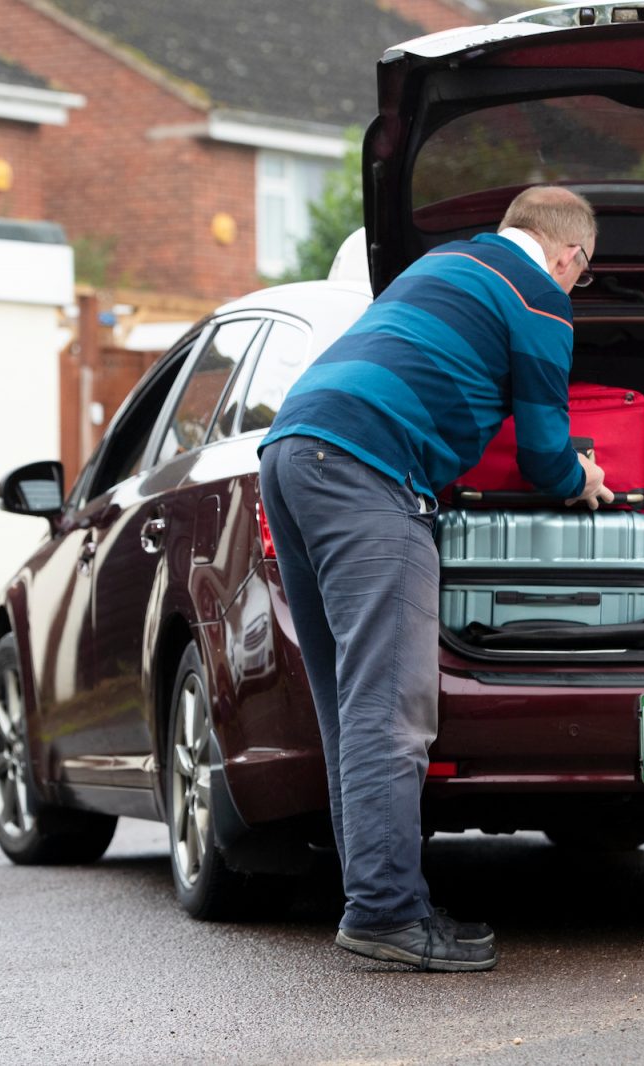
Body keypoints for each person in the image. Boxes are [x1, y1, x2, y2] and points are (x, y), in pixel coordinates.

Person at [257, 185, 611, 972]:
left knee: (350, 702)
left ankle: (377, 901)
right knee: (390, 709)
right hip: (368, 473)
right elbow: (545, 456)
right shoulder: (540, 299)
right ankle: (387, 913)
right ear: (569, 256)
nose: (574, 289)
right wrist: (583, 475)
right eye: (580, 276)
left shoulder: (444, 263)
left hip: (292, 453)